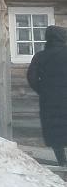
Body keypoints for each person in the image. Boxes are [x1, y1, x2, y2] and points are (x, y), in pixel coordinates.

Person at [26, 23, 67, 166]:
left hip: (49, 99)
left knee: (55, 130)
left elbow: (31, 77)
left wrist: (43, 90)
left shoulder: (40, 56)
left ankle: (62, 161)